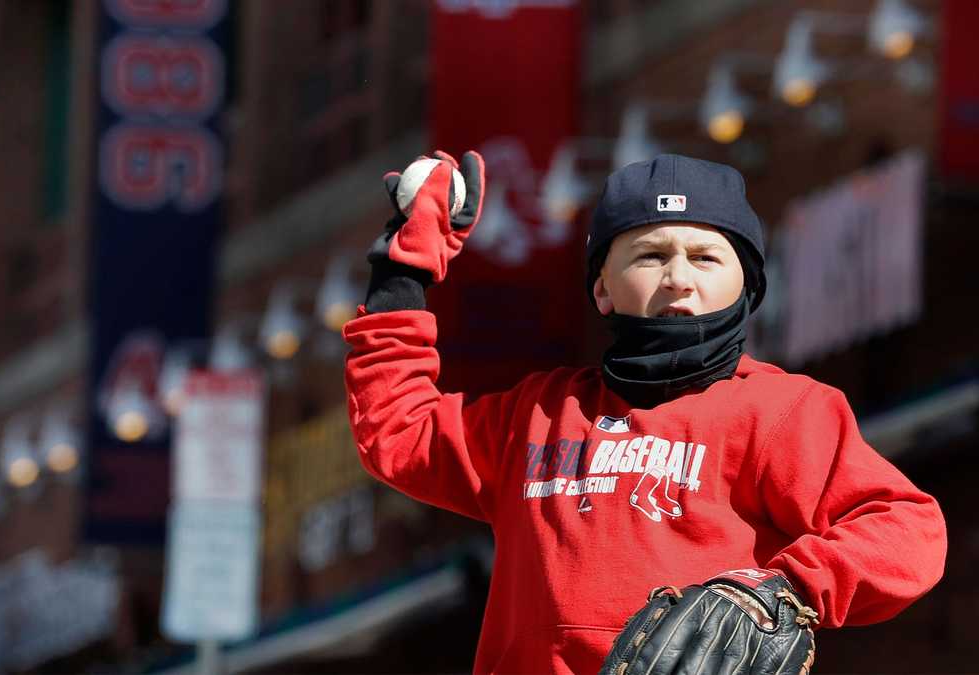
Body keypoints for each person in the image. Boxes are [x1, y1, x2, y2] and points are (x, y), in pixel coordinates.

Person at [344, 150, 947, 674]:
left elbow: (908, 531)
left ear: (749, 285)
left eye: (706, 257)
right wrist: (403, 271)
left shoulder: (784, 411)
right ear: (602, 288)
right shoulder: (536, 414)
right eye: (650, 255)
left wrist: (780, 591)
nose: (679, 278)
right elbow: (396, 430)